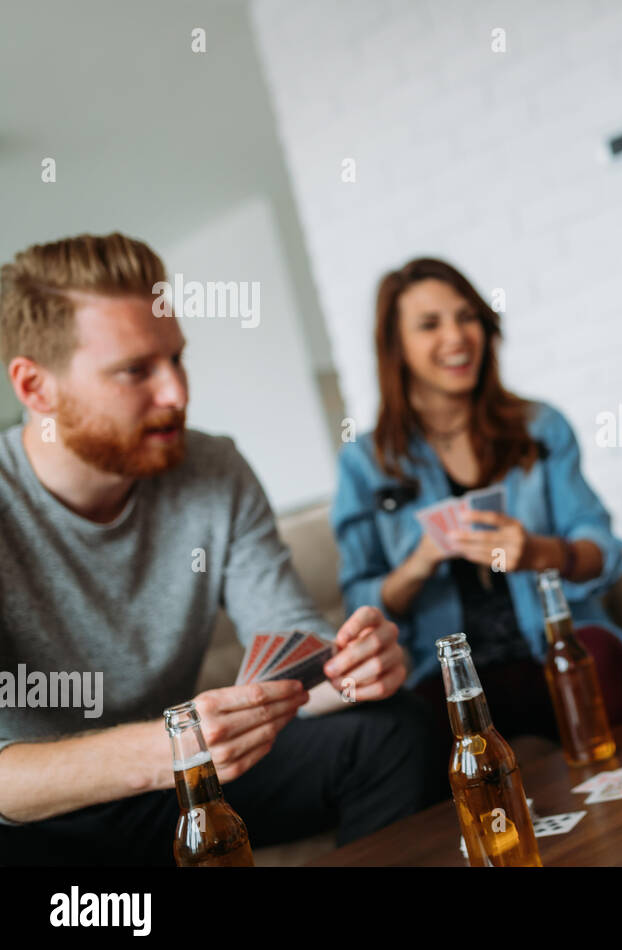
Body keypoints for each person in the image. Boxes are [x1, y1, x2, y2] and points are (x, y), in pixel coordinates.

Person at [0, 233, 439, 866]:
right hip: (41, 818)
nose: (176, 393)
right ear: (35, 387)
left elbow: (291, 648)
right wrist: (166, 750)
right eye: (135, 371)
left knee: (396, 729)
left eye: (176, 359)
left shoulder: (213, 468)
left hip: (180, 780)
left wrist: (349, 675)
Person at [331, 257, 622, 788]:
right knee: (412, 734)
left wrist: (541, 552)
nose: (456, 337)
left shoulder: (540, 427)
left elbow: (604, 551)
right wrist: (418, 563)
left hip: (552, 645)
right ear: (396, 346)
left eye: (467, 317)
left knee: (601, 658)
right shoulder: (366, 461)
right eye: (429, 324)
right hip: (450, 678)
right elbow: (360, 603)